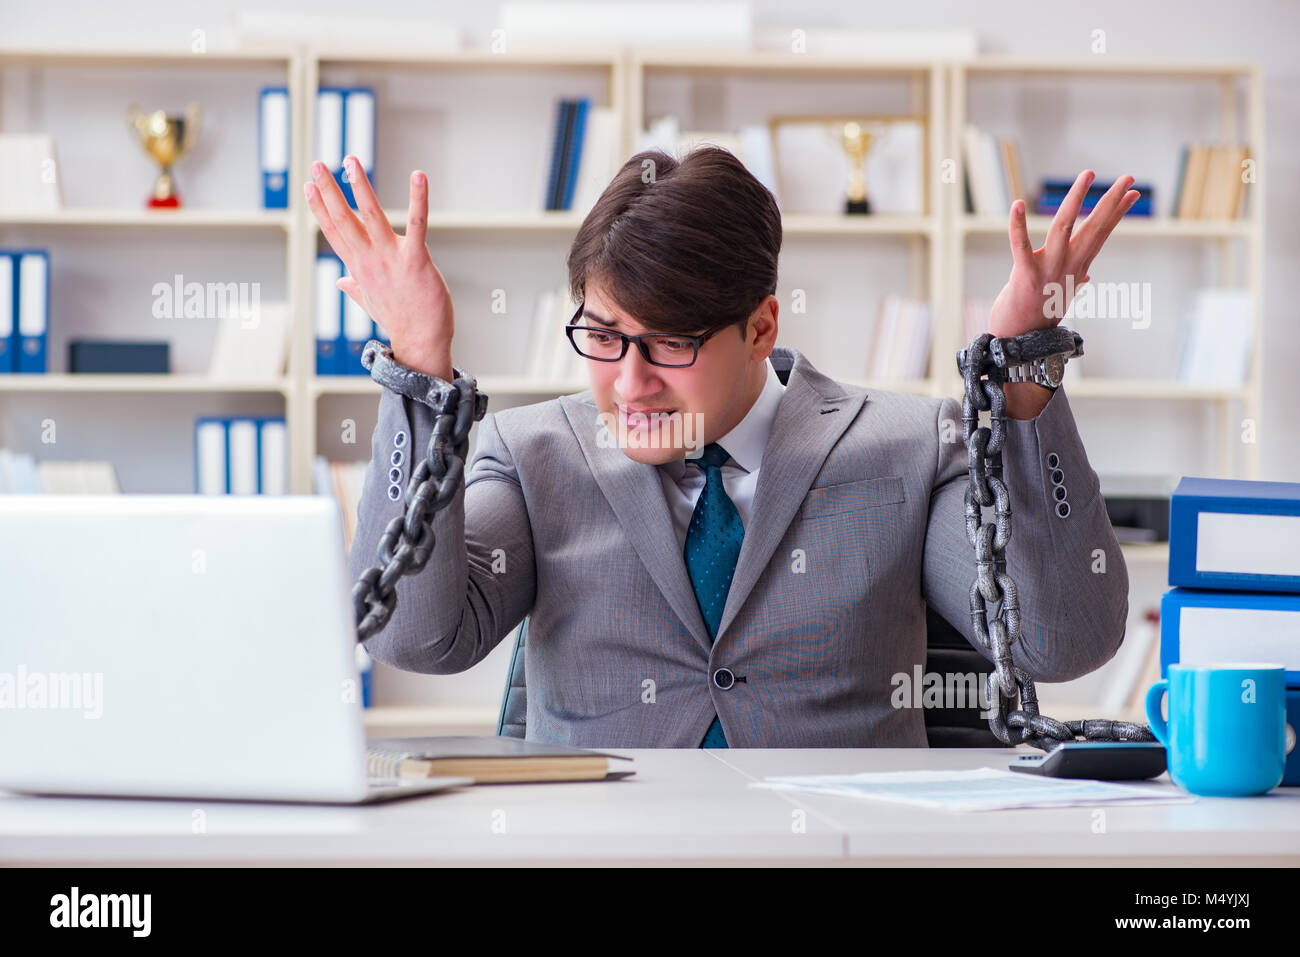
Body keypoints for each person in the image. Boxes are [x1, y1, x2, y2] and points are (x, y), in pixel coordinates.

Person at [303, 145, 1139, 748]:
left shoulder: (909, 446)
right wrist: (416, 367)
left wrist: (1024, 375)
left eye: (670, 345)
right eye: (603, 336)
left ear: (761, 325)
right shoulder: (532, 455)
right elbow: (415, 637)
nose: (630, 385)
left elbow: (1061, 639)